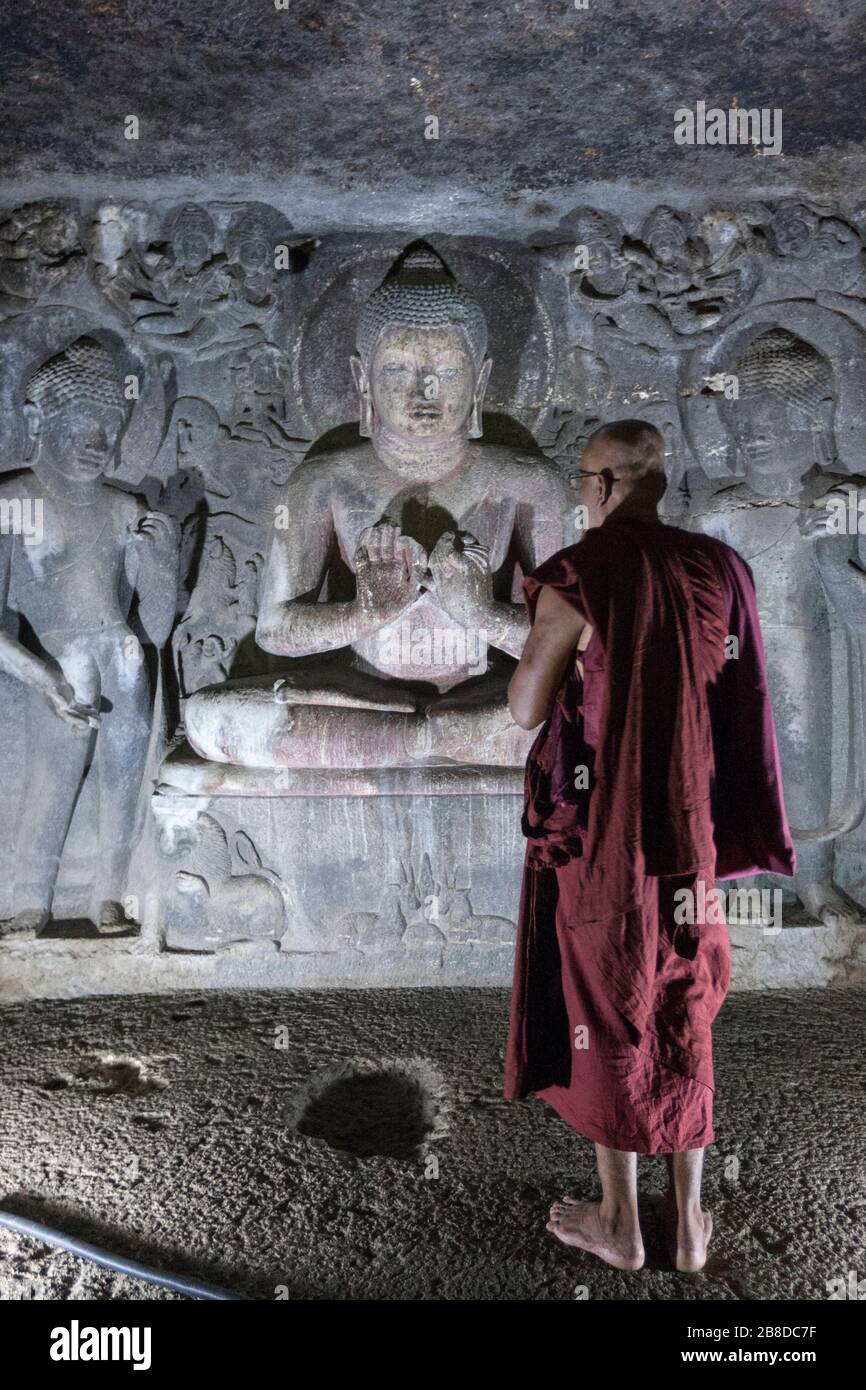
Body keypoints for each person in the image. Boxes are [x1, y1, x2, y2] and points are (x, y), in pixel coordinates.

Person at [503, 419, 796, 1272]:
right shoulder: (722, 569)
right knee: (683, 997)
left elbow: (526, 706)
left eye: (581, 488)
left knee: (611, 1001)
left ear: (599, 488)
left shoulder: (580, 575)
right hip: (690, 827)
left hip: (608, 834)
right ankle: (692, 1223)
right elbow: (738, 697)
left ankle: (622, 1221)